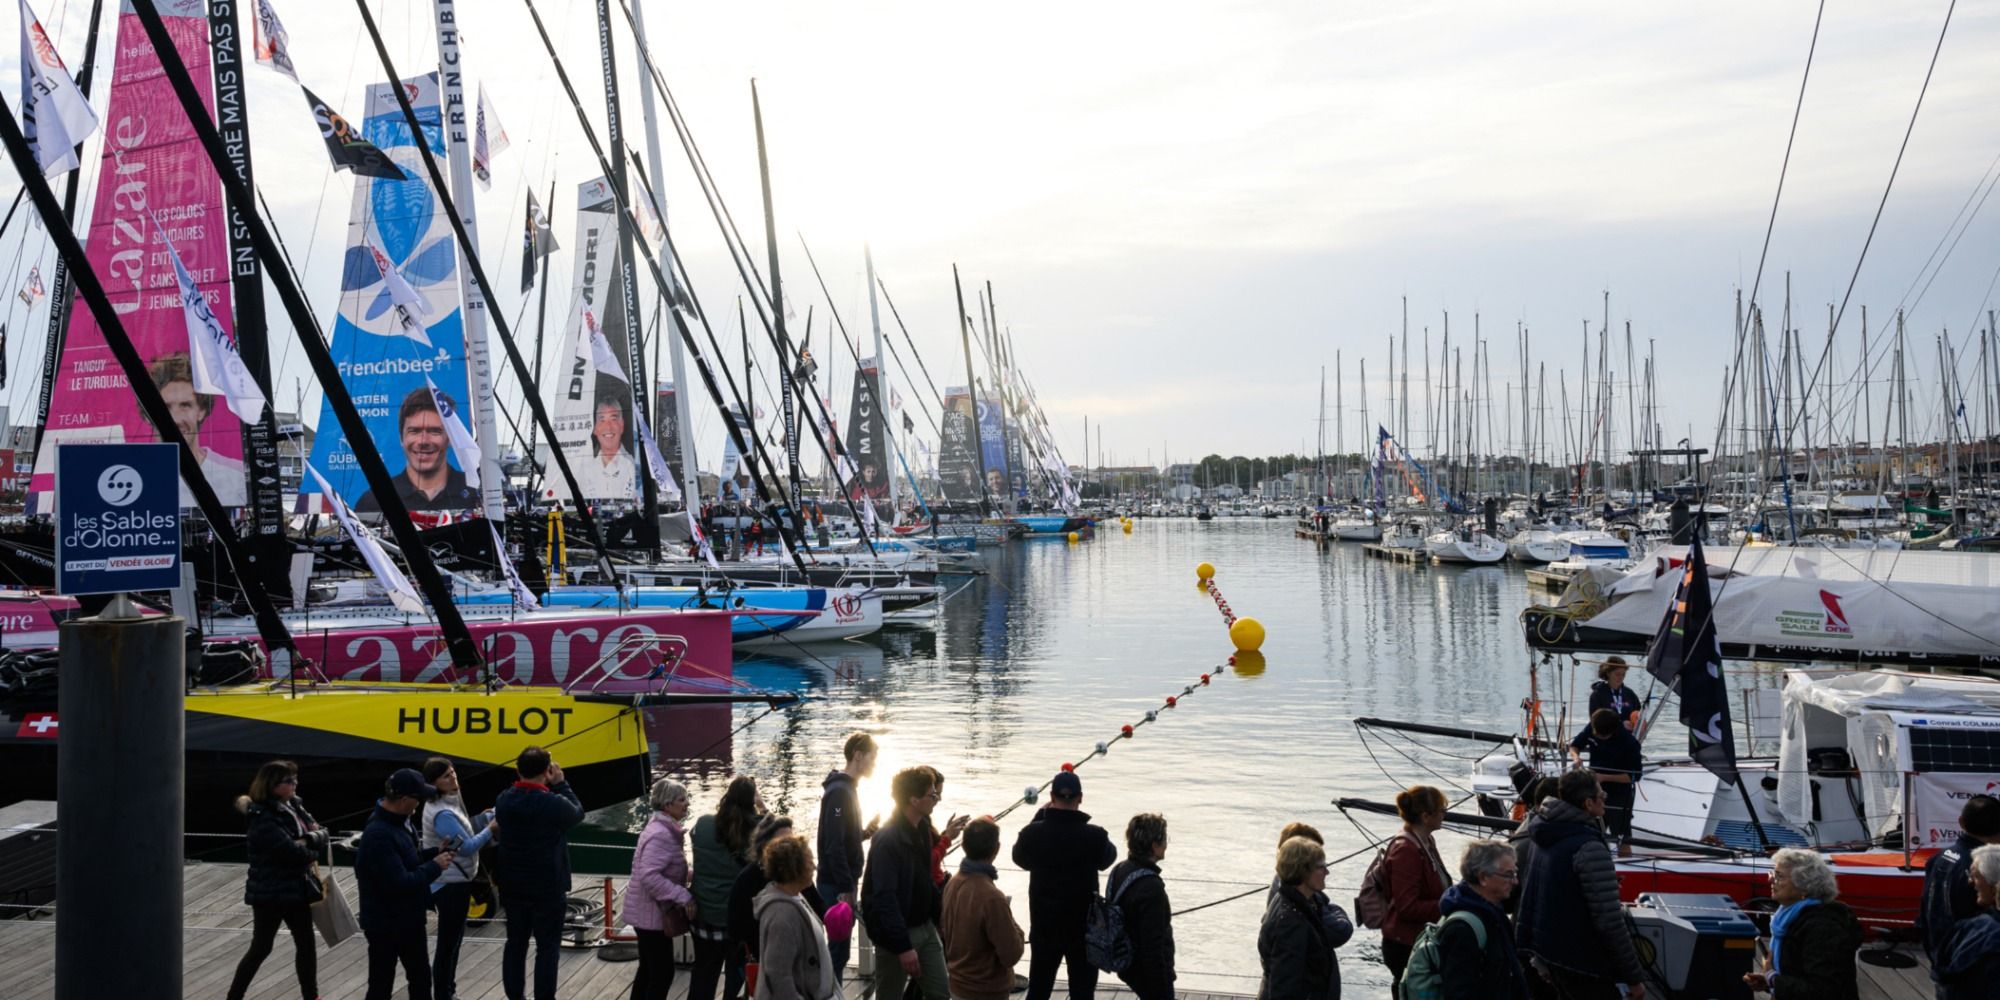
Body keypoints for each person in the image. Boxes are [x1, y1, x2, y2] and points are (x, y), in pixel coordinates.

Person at [1516, 770, 1645, 1000]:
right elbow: (1609, 920)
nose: (1605, 798)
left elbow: (1534, 893)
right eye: (1601, 795)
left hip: (1550, 955)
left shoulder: (1541, 832)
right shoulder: (1589, 847)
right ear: (1588, 803)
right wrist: (1634, 977)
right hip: (1583, 962)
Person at [1011, 770, 1116, 1000]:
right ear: (1080, 797)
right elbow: (1108, 859)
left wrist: (1040, 815)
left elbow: (1019, 857)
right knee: (1082, 992)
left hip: (1045, 925)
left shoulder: (1033, 833)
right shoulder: (1095, 836)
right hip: (1083, 929)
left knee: (1039, 989)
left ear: (1052, 796)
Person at [227, 760, 326, 1000]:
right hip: (270, 892)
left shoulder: (295, 805)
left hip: (296, 888)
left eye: (295, 779)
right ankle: (234, 996)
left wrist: (307, 840)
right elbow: (291, 853)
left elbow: (322, 831)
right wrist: (310, 846)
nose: (294, 784)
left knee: (306, 944)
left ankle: (311, 996)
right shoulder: (262, 817)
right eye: (288, 781)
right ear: (272, 785)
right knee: (261, 947)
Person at [493, 746, 585, 1000]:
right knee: (547, 947)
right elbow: (577, 814)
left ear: (517, 769)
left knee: (515, 944)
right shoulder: (553, 803)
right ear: (547, 771)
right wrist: (561, 784)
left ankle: (515, 996)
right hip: (547, 886)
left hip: (513, 886)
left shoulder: (504, 800)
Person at [356, 768, 452, 1000]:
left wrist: (432, 853)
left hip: (407, 917)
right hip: (387, 923)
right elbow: (399, 882)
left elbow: (404, 860)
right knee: (382, 983)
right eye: (417, 799)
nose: (419, 804)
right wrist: (435, 866)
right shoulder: (379, 834)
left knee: (419, 978)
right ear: (404, 799)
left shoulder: (397, 823)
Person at [862, 767, 949, 1000]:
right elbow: (884, 897)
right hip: (896, 936)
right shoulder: (887, 841)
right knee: (889, 996)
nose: (937, 799)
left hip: (926, 928)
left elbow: (925, 878)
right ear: (914, 799)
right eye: (932, 795)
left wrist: (937, 914)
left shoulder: (922, 828)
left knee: (940, 993)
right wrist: (902, 946)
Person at [420, 757, 498, 1000]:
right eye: (445, 776)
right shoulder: (442, 813)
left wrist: (482, 819)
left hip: (457, 880)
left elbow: (461, 833)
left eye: (452, 772)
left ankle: (448, 990)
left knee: (454, 941)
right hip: (450, 885)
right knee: (448, 945)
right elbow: (466, 847)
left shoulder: (450, 801)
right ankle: (444, 994)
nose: (452, 777)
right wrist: (491, 829)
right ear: (434, 784)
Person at [1742, 848, 1862, 999]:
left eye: (1779, 876)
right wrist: (1769, 982)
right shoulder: (1790, 918)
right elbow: (1797, 972)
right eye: (1772, 874)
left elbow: (1823, 990)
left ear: (1804, 887)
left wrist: (1773, 978)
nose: (1770, 880)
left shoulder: (1823, 928)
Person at [939, 818, 1025, 1000]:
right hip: (985, 991)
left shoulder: (953, 883)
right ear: (997, 848)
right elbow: (1011, 954)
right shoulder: (992, 898)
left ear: (963, 845)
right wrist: (1018, 930)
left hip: (957, 985)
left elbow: (945, 931)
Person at [356, 387, 480, 513]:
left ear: (450, 438)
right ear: (401, 439)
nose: (423, 441)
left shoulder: (476, 494)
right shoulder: (373, 501)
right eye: (414, 431)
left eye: (434, 431)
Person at [625, 778, 695, 1000]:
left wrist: (690, 875)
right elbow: (650, 875)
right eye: (681, 800)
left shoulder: (659, 827)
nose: (686, 804)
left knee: (647, 969)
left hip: (645, 912)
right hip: (651, 915)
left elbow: (659, 869)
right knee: (663, 973)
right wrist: (683, 895)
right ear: (667, 805)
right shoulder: (661, 834)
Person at [1263, 823, 1354, 994]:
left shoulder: (1300, 904)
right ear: (1304, 871)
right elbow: (1285, 988)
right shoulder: (1291, 922)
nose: (1327, 872)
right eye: (1321, 867)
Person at [693, 777, 762, 1000]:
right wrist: (762, 805)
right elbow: (782, 833)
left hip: (704, 918)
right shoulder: (757, 832)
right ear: (751, 801)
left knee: (703, 974)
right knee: (736, 978)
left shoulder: (702, 825)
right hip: (738, 922)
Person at [152, 351, 249, 506]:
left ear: (201, 411)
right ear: (148, 413)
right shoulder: (132, 477)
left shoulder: (235, 476)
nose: (175, 419)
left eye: (185, 406)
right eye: (165, 408)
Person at [1437, 841, 1531, 1000]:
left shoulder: (1493, 913)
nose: (1515, 881)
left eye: (1515, 873)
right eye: (1509, 875)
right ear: (1483, 877)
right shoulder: (1464, 929)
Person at [817, 733, 876, 980]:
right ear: (858, 755)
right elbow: (834, 844)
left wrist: (865, 833)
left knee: (838, 951)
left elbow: (841, 836)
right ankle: (830, 993)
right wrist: (846, 887)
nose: (874, 764)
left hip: (838, 881)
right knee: (838, 952)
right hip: (836, 885)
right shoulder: (841, 792)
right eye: (873, 758)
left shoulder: (845, 789)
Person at [1380, 785, 1450, 992]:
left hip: (1420, 938)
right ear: (1425, 816)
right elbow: (1407, 906)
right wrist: (1448, 905)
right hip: (1405, 943)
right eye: (1441, 810)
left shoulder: (1426, 841)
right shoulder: (1407, 850)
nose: (1444, 814)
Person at [753, 833, 839, 1000]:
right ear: (794, 869)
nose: (814, 867)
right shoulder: (781, 916)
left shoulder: (795, 896)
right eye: (809, 862)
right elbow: (778, 975)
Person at [1922, 796, 2000, 968]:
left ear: (1961, 822)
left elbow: (1926, 907)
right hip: (1977, 964)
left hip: (1942, 958)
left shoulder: (1938, 859)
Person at [1105, 813, 1175, 1000]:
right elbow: (1152, 944)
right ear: (1154, 845)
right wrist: (1162, 985)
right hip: (1148, 971)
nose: (1166, 844)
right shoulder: (1152, 887)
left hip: (1128, 964)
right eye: (1164, 839)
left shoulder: (1120, 869)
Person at [1934, 844, 2000, 999]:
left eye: (1976, 876)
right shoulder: (1981, 930)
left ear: (1994, 884)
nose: (1970, 882)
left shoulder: (1971, 928)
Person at [1568, 709, 1643, 841]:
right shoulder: (1593, 727)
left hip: (1618, 792)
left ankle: (1623, 857)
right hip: (1593, 789)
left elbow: (1635, 776)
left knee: (1622, 835)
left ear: (1612, 731)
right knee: (1590, 828)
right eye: (1595, 734)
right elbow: (1574, 746)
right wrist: (1576, 758)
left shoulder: (1629, 743)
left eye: (1602, 737)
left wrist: (1603, 777)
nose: (1598, 737)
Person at [575, 393, 637, 500]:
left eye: (613, 419)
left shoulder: (634, 466)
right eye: (602, 420)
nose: (608, 427)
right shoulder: (584, 469)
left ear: (622, 425)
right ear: (594, 428)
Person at [1587, 658, 1642, 731]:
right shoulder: (1598, 694)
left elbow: (1638, 714)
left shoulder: (1629, 694)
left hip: (1628, 737)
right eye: (1617, 674)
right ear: (1608, 673)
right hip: (1606, 736)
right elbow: (1595, 721)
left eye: (1623, 674)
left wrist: (1638, 724)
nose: (1621, 677)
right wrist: (1620, 724)